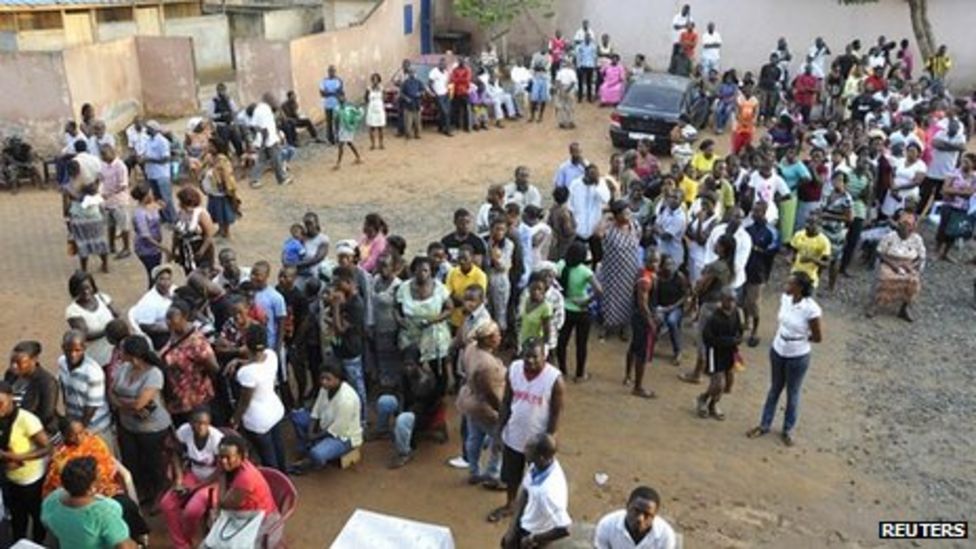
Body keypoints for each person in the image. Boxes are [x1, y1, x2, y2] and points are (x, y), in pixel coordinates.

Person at [489, 340, 564, 523]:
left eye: (534, 357)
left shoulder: (554, 379)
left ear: (544, 357)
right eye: (526, 356)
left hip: (537, 441)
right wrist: (498, 432)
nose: (530, 361)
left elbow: (555, 414)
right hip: (514, 434)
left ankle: (531, 512)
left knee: (536, 480)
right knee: (511, 475)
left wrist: (549, 441)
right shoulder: (514, 369)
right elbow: (507, 402)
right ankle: (510, 505)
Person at [43, 418, 148, 545]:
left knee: (127, 505)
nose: (79, 438)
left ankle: (137, 535)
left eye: (81, 432)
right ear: (64, 435)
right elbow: (56, 484)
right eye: (73, 435)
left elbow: (108, 465)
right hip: (78, 494)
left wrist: (99, 486)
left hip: (104, 487)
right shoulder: (61, 456)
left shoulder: (94, 442)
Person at [747, 271, 822, 446]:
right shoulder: (785, 299)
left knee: (792, 392)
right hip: (778, 348)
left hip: (797, 354)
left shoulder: (811, 309)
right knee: (774, 389)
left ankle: (788, 429)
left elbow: (818, 337)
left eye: (790, 284)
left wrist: (799, 338)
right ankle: (764, 424)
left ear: (800, 288)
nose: (786, 286)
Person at [109, 336, 172, 506]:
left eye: (123, 351)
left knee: (153, 464)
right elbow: (111, 391)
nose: (120, 354)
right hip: (128, 426)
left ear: (132, 355)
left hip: (152, 428)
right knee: (132, 462)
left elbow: (139, 404)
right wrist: (127, 403)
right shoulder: (124, 368)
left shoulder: (154, 374)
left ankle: (158, 494)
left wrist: (120, 403)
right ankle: (142, 492)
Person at [160, 407, 224, 549]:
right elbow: (175, 452)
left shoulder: (216, 439)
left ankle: (194, 539)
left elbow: (221, 470)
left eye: (205, 423)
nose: (201, 427)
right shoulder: (184, 431)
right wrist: (179, 479)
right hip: (193, 474)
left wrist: (195, 488)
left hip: (213, 481)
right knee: (167, 503)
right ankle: (182, 545)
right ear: (190, 423)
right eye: (197, 423)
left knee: (192, 510)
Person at [375, 346, 446, 469]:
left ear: (418, 364)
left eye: (411, 365)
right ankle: (382, 430)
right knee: (384, 401)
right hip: (408, 408)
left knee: (403, 419)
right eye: (406, 365)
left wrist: (405, 416)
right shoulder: (403, 374)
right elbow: (398, 392)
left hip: (423, 415)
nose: (408, 368)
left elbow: (423, 407)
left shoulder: (427, 380)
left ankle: (404, 453)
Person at [41, 457, 135, 549]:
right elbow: (124, 546)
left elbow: (47, 525)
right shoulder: (105, 512)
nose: (101, 480)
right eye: (99, 478)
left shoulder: (52, 500)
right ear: (91, 488)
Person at [0, 380, 52, 542]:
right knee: (17, 517)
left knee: (36, 516)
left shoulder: (27, 420)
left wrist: (17, 457)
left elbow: (47, 448)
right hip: (9, 478)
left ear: (11, 398)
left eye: (0, 403)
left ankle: (38, 543)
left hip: (31, 480)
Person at [230, 324, 286, 472]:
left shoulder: (245, 373)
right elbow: (258, 361)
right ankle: (285, 476)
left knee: (268, 457)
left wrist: (235, 419)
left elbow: (244, 402)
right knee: (278, 446)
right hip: (274, 409)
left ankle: (275, 485)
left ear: (247, 344)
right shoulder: (271, 355)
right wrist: (239, 361)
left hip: (258, 419)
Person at [679, 235, 734, 385]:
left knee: (702, 338)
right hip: (719, 304)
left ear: (723, 248)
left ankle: (697, 373)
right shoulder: (729, 266)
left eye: (718, 244)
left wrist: (693, 299)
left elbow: (702, 285)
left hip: (709, 304)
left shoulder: (716, 266)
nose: (715, 246)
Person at [500, 432, 571, 548]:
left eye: (529, 449)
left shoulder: (547, 492)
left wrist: (533, 539)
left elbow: (564, 528)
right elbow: (525, 491)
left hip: (536, 533)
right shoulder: (539, 466)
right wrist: (513, 528)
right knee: (506, 543)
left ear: (541, 458)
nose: (524, 450)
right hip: (525, 524)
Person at [288, 364, 362, 475]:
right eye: (322, 378)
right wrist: (310, 432)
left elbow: (336, 430)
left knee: (317, 454)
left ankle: (311, 461)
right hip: (324, 426)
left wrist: (313, 436)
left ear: (338, 379)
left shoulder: (347, 400)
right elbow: (316, 412)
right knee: (296, 416)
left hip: (344, 437)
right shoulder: (325, 389)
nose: (324, 382)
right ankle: (307, 448)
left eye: (328, 379)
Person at [456, 321, 505, 486]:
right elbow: (490, 393)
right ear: (489, 340)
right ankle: (492, 473)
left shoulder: (471, 348)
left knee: (474, 438)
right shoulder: (487, 365)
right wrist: (501, 411)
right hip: (484, 407)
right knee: (499, 440)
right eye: (497, 334)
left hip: (469, 399)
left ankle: (474, 470)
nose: (500, 337)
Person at [395, 256, 454, 393]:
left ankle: (436, 399)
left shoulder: (440, 288)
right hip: (410, 336)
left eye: (425, 270)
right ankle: (412, 398)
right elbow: (395, 308)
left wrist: (434, 320)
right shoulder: (404, 287)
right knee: (411, 369)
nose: (421, 274)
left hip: (434, 336)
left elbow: (450, 309)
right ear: (412, 271)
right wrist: (399, 319)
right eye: (418, 270)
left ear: (431, 272)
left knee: (436, 370)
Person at [160, 301, 219, 426]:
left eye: (172, 319)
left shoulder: (196, 342)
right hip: (176, 398)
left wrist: (198, 379)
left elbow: (214, 368)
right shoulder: (175, 333)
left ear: (184, 318)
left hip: (194, 400)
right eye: (167, 319)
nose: (168, 322)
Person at [555, 242, 602, 381]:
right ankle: (580, 374)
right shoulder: (584, 271)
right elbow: (599, 290)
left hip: (565, 307)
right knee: (581, 344)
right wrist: (586, 301)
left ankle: (562, 370)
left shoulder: (561, 265)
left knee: (562, 341)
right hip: (582, 310)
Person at [866, 211, 926, 321]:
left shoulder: (917, 239)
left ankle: (904, 308)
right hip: (890, 262)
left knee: (913, 281)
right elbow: (880, 252)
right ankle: (876, 305)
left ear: (913, 227)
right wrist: (893, 265)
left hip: (909, 264)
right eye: (903, 224)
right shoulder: (890, 236)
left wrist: (911, 266)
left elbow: (921, 257)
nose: (905, 227)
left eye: (909, 225)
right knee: (886, 278)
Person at [58, 330, 113, 448]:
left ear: (84, 348)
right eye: (69, 350)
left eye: (77, 350)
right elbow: (63, 387)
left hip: (96, 426)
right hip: (75, 423)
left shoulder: (93, 372)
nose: (73, 354)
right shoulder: (62, 362)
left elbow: (92, 405)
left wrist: (81, 428)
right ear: (63, 348)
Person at [327, 265, 368, 420]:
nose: (336, 287)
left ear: (348, 282)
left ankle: (362, 420)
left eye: (339, 283)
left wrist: (336, 306)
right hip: (339, 349)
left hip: (351, 352)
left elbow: (340, 328)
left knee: (357, 388)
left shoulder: (356, 304)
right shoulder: (347, 299)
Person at [696, 288, 742, 420]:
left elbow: (739, 330)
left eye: (734, 300)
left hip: (730, 352)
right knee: (718, 382)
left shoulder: (735, 313)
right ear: (722, 300)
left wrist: (737, 340)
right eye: (729, 300)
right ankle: (703, 399)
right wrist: (728, 341)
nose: (732, 303)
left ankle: (713, 403)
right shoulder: (713, 317)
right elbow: (708, 338)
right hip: (715, 353)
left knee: (728, 384)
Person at [599, 200, 642, 339]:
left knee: (628, 297)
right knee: (610, 297)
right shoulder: (609, 228)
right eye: (624, 213)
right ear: (616, 216)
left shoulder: (634, 226)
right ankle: (608, 326)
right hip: (612, 271)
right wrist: (605, 217)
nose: (628, 215)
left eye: (629, 212)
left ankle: (624, 326)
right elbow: (597, 234)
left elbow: (638, 240)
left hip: (630, 271)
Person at [594, 485, 677, 549]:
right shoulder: (607, 525)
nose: (640, 518)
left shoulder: (665, 536)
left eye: (647, 515)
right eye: (636, 511)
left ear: (655, 515)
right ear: (627, 506)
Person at [66, 270, 119, 368]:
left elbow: (117, 315)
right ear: (74, 290)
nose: (86, 292)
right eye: (80, 289)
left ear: (93, 286)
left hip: (113, 352)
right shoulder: (73, 311)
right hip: (95, 356)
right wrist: (110, 331)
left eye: (88, 288)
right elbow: (84, 335)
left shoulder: (103, 298)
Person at [214, 435, 278, 515]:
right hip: (245, 512)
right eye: (221, 456)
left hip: (262, 519)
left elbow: (225, 504)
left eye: (228, 457)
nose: (223, 461)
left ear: (242, 456)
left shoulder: (245, 478)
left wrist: (221, 475)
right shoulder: (231, 466)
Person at [5, 341, 59, 437]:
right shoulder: (11, 375)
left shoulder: (47, 382)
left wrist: (18, 428)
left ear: (34, 360)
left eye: (19, 363)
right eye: (12, 361)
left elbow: (46, 416)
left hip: (40, 433)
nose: (14, 366)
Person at [743, 202, 777, 347]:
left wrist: (756, 249)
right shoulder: (747, 229)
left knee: (754, 302)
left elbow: (773, 250)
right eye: (753, 211)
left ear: (764, 212)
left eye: (757, 211)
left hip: (759, 272)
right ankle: (746, 323)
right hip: (744, 270)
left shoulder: (771, 231)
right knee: (743, 301)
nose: (753, 214)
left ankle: (755, 330)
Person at [626, 249, 659, 398]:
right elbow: (642, 303)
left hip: (638, 316)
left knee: (634, 346)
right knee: (642, 352)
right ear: (646, 261)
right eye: (652, 261)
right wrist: (650, 321)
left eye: (656, 261)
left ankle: (628, 375)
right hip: (642, 318)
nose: (655, 264)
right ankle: (638, 386)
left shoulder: (644, 274)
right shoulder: (645, 279)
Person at [569, 163, 611, 265]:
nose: (593, 178)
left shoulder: (600, 183)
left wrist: (597, 184)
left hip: (594, 228)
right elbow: (569, 205)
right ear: (585, 174)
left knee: (597, 257)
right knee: (578, 257)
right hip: (579, 228)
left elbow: (606, 198)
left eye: (595, 175)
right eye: (591, 175)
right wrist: (573, 221)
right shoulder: (575, 184)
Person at [200, 136, 241, 240]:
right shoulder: (209, 158)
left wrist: (229, 190)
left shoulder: (222, 160)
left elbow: (227, 176)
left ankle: (226, 232)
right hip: (212, 191)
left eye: (210, 146)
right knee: (216, 212)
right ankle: (220, 229)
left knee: (223, 212)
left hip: (220, 191)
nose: (208, 147)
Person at [937, 153, 976, 260]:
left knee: (954, 230)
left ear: (973, 164)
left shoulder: (974, 177)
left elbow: (970, 193)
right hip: (949, 204)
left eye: (967, 162)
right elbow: (945, 188)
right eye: (963, 161)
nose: (964, 164)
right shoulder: (954, 172)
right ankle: (938, 250)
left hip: (962, 207)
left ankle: (945, 253)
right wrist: (962, 192)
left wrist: (953, 191)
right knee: (943, 227)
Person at [247, 93, 292, 188]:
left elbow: (254, 125)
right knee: (276, 159)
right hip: (269, 139)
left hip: (264, 139)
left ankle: (254, 180)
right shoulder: (266, 110)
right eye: (273, 99)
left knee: (262, 161)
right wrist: (266, 139)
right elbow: (266, 127)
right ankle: (282, 179)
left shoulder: (258, 109)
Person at [652, 255, 689, 366]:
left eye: (672, 264)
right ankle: (650, 347)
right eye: (667, 264)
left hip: (675, 307)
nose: (670, 267)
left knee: (672, 321)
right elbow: (654, 295)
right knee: (657, 320)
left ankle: (678, 351)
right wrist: (656, 308)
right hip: (661, 306)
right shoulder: (658, 278)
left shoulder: (680, 277)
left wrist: (672, 307)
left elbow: (685, 296)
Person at [819, 172, 853, 291]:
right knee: (820, 255)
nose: (838, 182)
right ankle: (815, 281)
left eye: (841, 180)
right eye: (836, 179)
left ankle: (831, 286)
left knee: (834, 259)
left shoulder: (846, 197)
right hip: (823, 228)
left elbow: (849, 218)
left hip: (837, 231)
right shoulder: (828, 193)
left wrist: (828, 216)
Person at [173, 187, 216, 274]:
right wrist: (174, 248)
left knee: (203, 275)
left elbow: (209, 234)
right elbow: (176, 234)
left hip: (200, 248)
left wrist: (202, 251)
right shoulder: (181, 213)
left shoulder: (201, 213)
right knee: (189, 273)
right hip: (186, 249)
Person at [143, 120, 175, 223]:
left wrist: (149, 160)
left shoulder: (162, 141)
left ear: (153, 129)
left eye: (147, 128)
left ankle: (172, 219)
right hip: (151, 174)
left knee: (166, 198)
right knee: (157, 197)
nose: (146, 130)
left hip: (161, 174)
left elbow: (166, 159)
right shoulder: (148, 140)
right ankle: (163, 217)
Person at [789, 214, 831, 289]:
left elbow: (826, 264)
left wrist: (811, 259)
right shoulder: (799, 235)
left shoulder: (824, 241)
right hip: (795, 273)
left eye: (812, 223)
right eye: (807, 222)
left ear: (819, 225)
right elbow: (793, 252)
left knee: (807, 299)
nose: (807, 226)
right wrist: (790, 258)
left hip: (811, 277)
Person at [333, 94, 363, 169]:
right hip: (342, 128)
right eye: (340, 97)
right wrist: (336, 131)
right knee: (349, 143)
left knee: (342, 145)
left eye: (342, 97)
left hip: (348, 128)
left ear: (345, 99)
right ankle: (358, 157)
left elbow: (356, 114)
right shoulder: (337, 109)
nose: (341, 99)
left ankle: (338, 163)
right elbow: (336, 121)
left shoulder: (349, 108)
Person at [732, 84, 759, 155]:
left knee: (748, 139)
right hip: (740, 122)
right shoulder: (740, 98)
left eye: (750, 90)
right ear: (744, 91)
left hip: (750, 123)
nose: (748, 92)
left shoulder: (754, 100)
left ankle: (745, 153)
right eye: (747, 90)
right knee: (737, 140)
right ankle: (735, 153)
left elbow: (756, 112)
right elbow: (737, 111)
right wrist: (740, 120)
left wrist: (754, 120)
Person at [362, 73, 387, 150]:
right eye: (374, 79)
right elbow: (365, 98)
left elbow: (385, 98)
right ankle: (372, 144)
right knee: (372, 128)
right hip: (371, 108)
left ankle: (381, 144)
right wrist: (369, 103)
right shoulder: (368, 89)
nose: (375, 81)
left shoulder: (382, 88)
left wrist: (381, 100)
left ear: (379, 80)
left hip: (379, 109)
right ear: (372, 80)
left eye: (377, 79)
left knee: (381, 127)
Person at [319, 65, 344, 144]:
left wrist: (329, 92)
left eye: (333, 71)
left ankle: (338, 137)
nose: (332, 73)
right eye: (330, 71)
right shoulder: (324, 81)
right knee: (329, 122)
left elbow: (340, 92)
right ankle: (330, 138)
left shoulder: (338, 80)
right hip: (327, 104)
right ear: (328, 72)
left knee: (337, 121)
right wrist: (333, 92)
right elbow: (322, 93)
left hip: (336, 104)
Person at [428, 57, 453, 136]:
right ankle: (447, 130)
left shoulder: (446, 72)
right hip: (438, 95)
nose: (444, 65)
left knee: (445, 112)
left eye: (445, 64)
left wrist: (448, 91)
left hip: (445, 94)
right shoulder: (434, 72)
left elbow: (447, 82)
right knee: (445, 112)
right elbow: (429, 83)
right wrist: (434, 93)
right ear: (439, 64)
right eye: (442, 64)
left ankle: (440, 127)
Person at [553, 60, 578, 129]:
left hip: (562, 88)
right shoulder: (572, 72)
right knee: (570, 106)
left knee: (562, 106)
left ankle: (562, 122)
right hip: (570, 89)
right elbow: (573, 82)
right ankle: (570, 122)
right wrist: (568, 90)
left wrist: (559, 89)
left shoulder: (560, 72)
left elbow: (557, 82)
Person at [400, 68, 424, 139]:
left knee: (418, 122)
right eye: (411, 72)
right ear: (408, 74)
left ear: (415, 73)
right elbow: (401, 93)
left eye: (413, 72)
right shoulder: (405, 82)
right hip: (408, 105)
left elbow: (423, 91)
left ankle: (417, 134)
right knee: (408, 122)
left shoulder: (419, 82)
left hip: (417, 104)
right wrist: (406, 98)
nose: (412, 74)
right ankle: (408, 135)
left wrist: (419, 93)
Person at [450, 58, 472, 132]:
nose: (462, 63)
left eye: (463, 62)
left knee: (466, 110)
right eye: (460, 61)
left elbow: (467, 80)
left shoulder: (467, 69)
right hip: (456, 92)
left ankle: (467, 127)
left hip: (465, 92)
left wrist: (458, 79)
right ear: (458, 62)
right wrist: (462, 79)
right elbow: (453, 79)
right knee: (456, 110)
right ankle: (457, 126)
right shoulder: (454, 70)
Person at [528, 55, 551, 123]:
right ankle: (532, 116)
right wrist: (539, 68)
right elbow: (532, 68)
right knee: (534, 98)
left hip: (545, 79)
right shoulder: (535, 56)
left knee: (543, 99)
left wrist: (538, 67)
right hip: (536, 79)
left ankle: (540, 116)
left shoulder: (548, 57)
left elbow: (546, 68)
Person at [576, 34, 598, 103]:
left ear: (590, 39)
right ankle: (580, 98)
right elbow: (578, 56)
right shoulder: (580, 46)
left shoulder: (593, 46)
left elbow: (594, 57)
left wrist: (594, 66)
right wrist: (578, 66)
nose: (587, 39)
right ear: (584, 38)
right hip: (582, 65)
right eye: (586, 38)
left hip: (590, 66)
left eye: (589, 38)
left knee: (589, 83)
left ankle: (589, 98)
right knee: (580, 82)